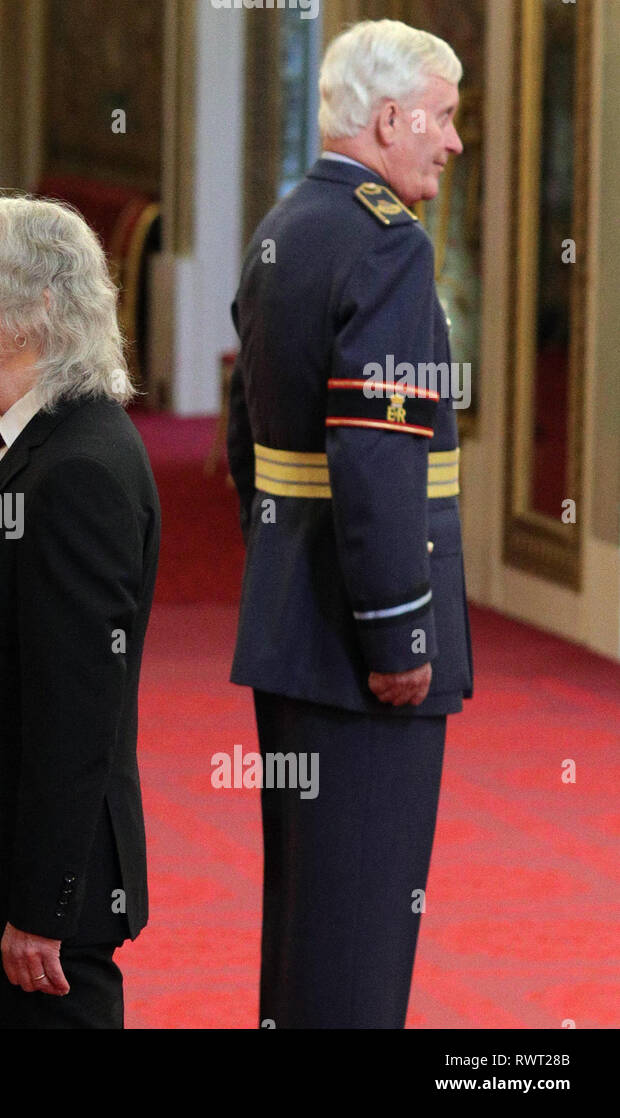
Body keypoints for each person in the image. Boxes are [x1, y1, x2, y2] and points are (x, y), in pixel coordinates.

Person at [227, 20, 473, 1028]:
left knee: (305, 921)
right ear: (388, 118)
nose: (453, 142)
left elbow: (252, 443)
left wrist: (281, 565)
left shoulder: (287, 223)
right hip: (361, 639)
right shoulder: (386, 245)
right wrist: (399, 629)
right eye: (445, 117)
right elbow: (375, 456)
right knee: (359, 945)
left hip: (294, 617)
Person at [0, 194, 160, 1029]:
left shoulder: (80, 469)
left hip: (44, 913)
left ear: (38, 306)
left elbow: (77, 708)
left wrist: (44, 906)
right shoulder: (33, 444)